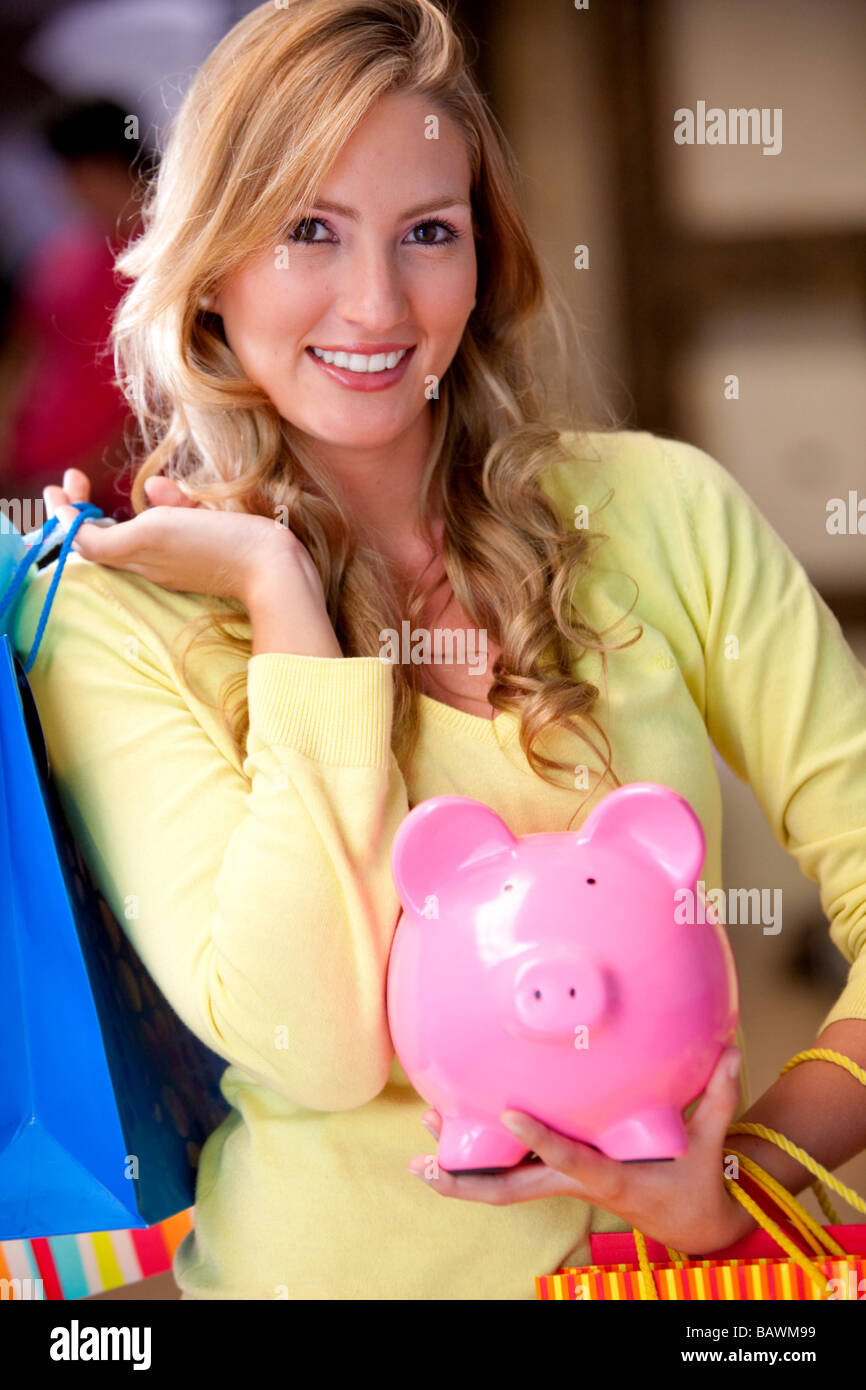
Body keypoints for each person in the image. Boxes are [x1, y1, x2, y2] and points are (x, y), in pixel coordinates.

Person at [14, 0, 866, 1301]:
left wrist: (754, 1170)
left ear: (485, 260)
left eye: (428, 232)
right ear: (212, 264)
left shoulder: (659, 511)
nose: (375, 302)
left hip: (670, 1296)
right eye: (308, 229)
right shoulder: (121, 617)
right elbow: (311, 1049)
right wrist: (285, 608)